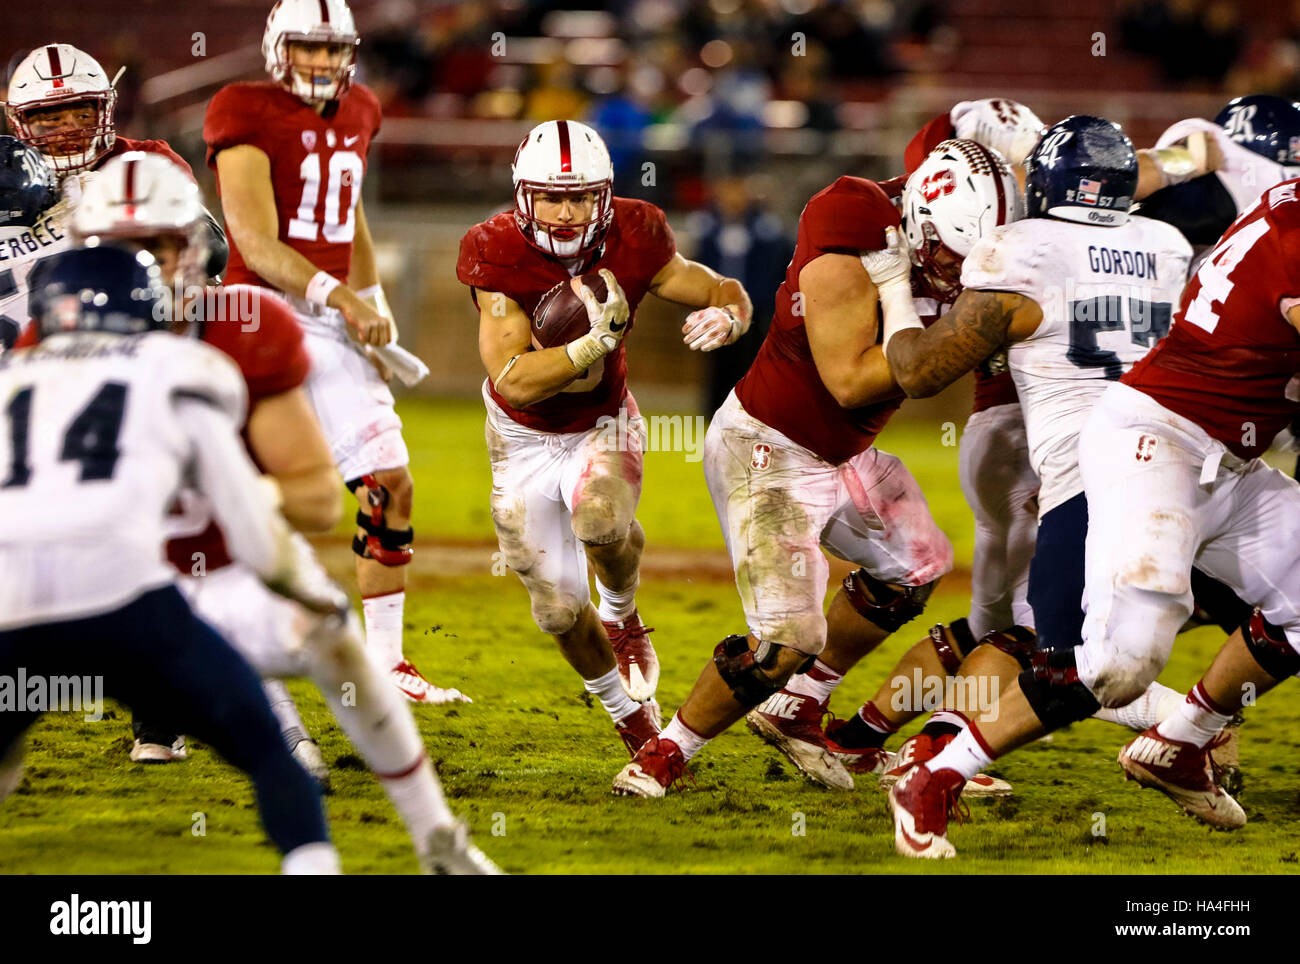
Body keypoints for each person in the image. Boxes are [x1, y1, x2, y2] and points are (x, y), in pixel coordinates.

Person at [869, 117, 1194, 857]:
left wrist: (893, 288)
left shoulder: (1020, 248)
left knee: (1033, 642)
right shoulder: (1168, 246)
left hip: (1076, 472)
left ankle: (903, 748)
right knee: (1040, 640)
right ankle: (926, 752)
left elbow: (919, 372)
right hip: (1170, 474)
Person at [612, 162, 954, 798]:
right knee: (786, 640)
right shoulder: (850, 242)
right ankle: (664, 754)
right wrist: (944, 338)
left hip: (842, 455)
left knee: (918, 563)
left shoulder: (951, 245)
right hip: (769, 448)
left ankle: (799, 705)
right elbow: (851, 381)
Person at [0, 244, 340, 873]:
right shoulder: (177, 370)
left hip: (14, 610)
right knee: (269, 754)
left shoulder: (11, 377)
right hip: (126, 605)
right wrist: (296, 587)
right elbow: (247, 518)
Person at [457, 118, 753, 762]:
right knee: (558, 611)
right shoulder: (493, 249)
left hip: (602, 422)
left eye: (581, 197)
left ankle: (621, 611)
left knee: (599, 522)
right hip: (521, 440)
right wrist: (591, 342)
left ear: (606, 195)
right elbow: (514, 382)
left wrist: (729, 314)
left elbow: (714, 285)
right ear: (522, 195)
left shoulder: (637, 230)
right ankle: (629, 716)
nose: (566, 214)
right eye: (551, 197)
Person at [203, 0, 459, 703]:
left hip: (331, 311)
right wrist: (338, 297)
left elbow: (351, 214)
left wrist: (370, 305)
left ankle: (386, 663)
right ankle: (221, 650)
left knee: (389, 481)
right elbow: (252, 240)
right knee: (243, 496)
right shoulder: (241, 108)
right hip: (261, 311)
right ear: (276, 48)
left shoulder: (362, 107)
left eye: (330, 48)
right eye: (306, 47)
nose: (319, 61)